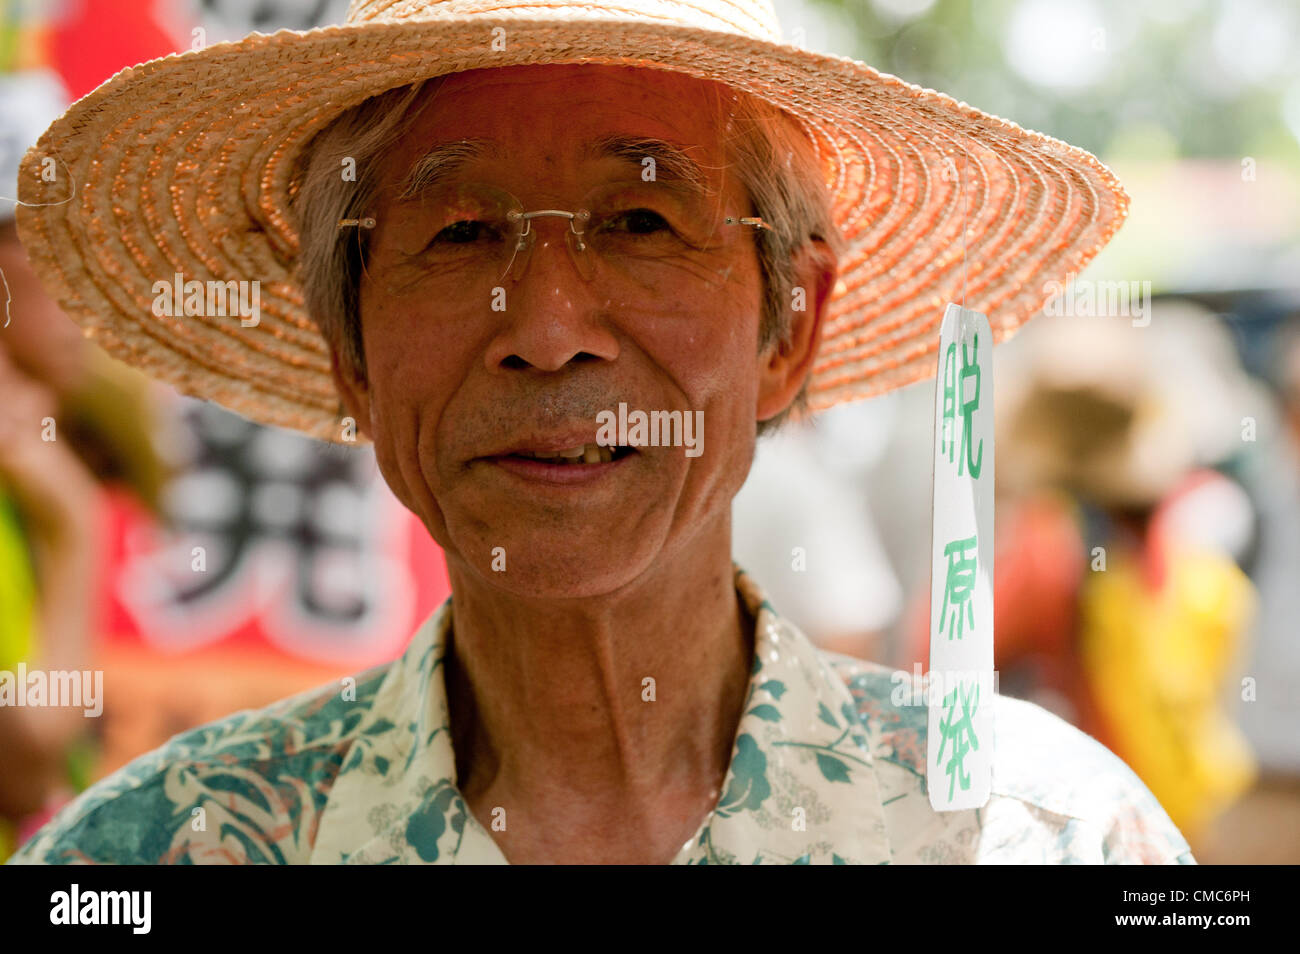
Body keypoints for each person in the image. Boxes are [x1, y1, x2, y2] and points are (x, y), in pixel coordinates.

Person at [8, 0, 1191, 864]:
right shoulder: (151, 858)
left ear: (791, 325)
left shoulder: (1046, 838)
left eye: (639, 220)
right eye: (460, 232)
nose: (546, 328)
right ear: (349, 353)